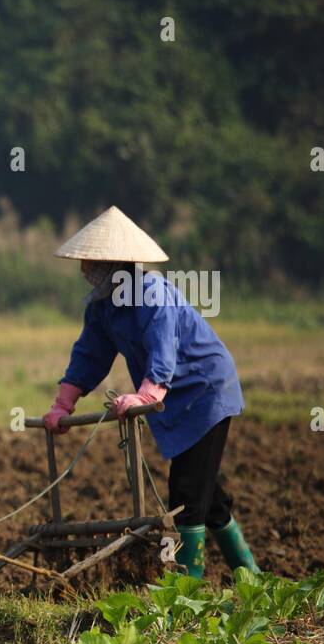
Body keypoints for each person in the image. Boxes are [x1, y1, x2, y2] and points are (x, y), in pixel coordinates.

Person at [41, 206, 259, 579]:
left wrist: (146, 394)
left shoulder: (152, 294)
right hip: (173, 397)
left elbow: (163, 349)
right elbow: (89, 355)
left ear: (116, 263)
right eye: (85, 263)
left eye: (93, 263)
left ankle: (187, 592)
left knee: (187, 493)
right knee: (210, 498)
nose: (85, 271)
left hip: (205, 391)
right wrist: (64, 403)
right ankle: (253, 578)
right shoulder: (102, 307)